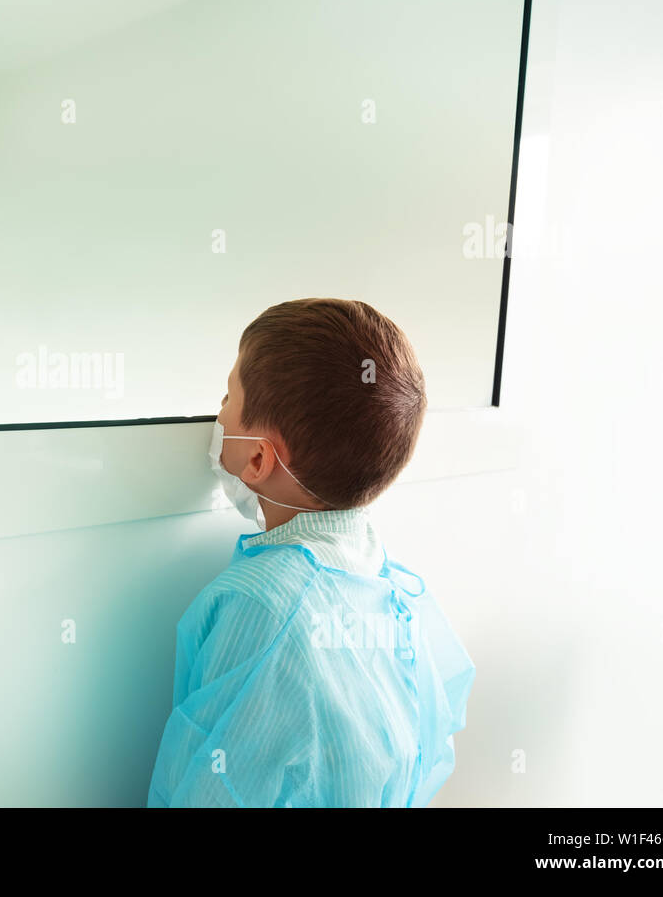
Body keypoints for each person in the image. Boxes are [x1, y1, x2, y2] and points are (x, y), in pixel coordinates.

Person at [148, 298, 475, 807]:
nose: (217, 413)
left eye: (226, 397)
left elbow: (211, 792)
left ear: (257, 458)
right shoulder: (390, 582)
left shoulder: (260, 606)